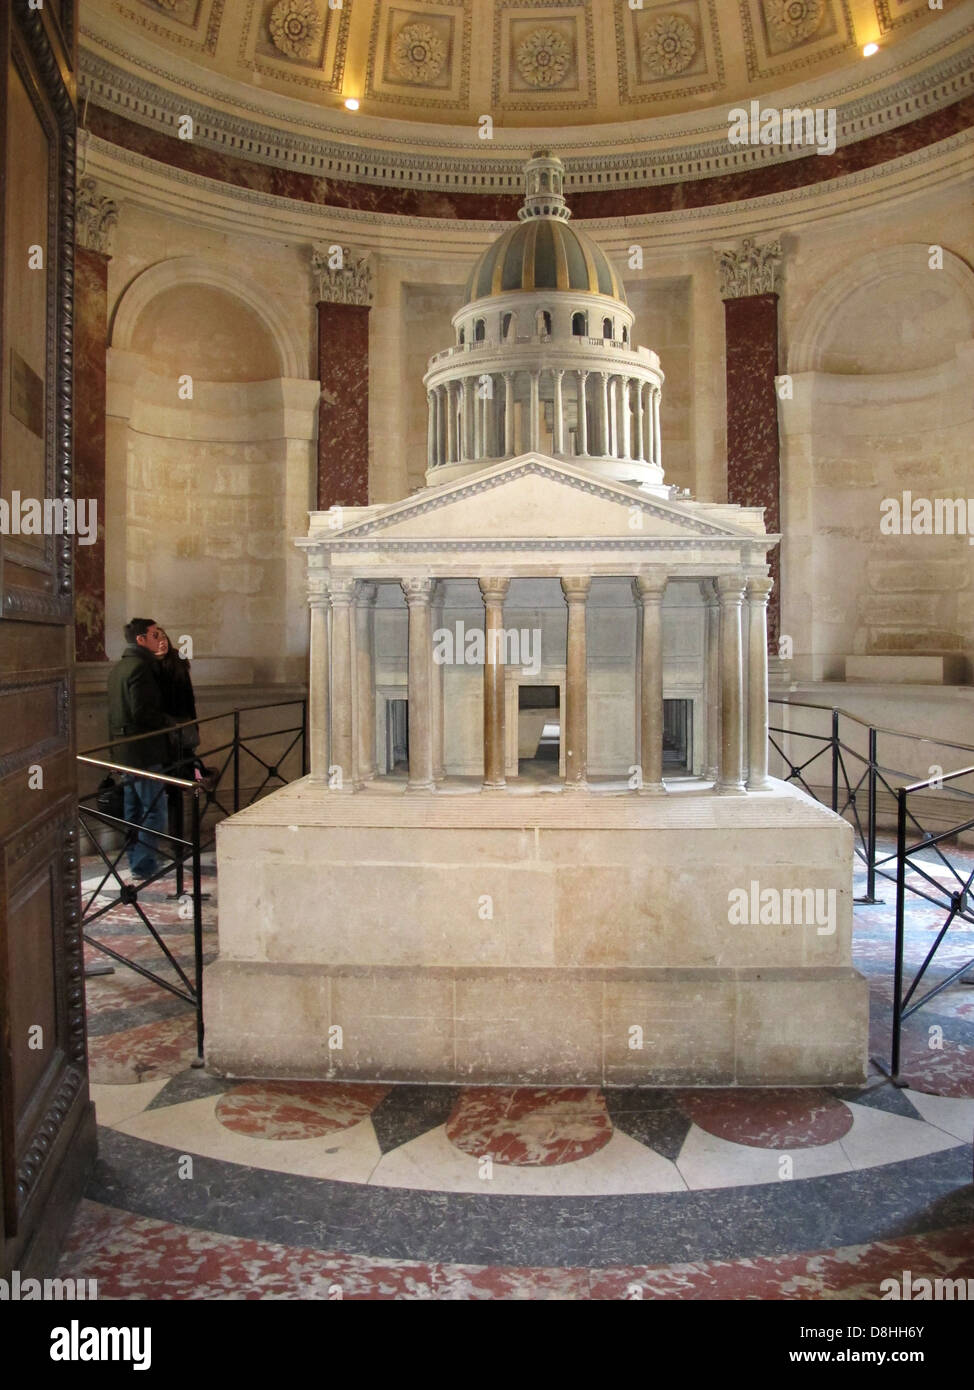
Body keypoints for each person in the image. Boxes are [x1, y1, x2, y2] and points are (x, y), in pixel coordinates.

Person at [107, 619, 171, 879]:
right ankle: (143, 864)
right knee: (154, 809)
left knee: (132, 809)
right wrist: (168, 722)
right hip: (143, 751)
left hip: (124, 751)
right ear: (141, 640)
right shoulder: (141, 668)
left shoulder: (119, 668)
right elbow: (142, 713)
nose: (160, 639)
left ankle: (135, 861)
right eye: (155, 634)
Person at [154, 629, 199, 776]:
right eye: (157, 639)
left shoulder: (177, 660)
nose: (162, 643)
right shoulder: (147, 665)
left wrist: (193, 722)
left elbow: (188, 696)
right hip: (161, 727)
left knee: (184, 764)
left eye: (164, 638)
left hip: (180, 721)